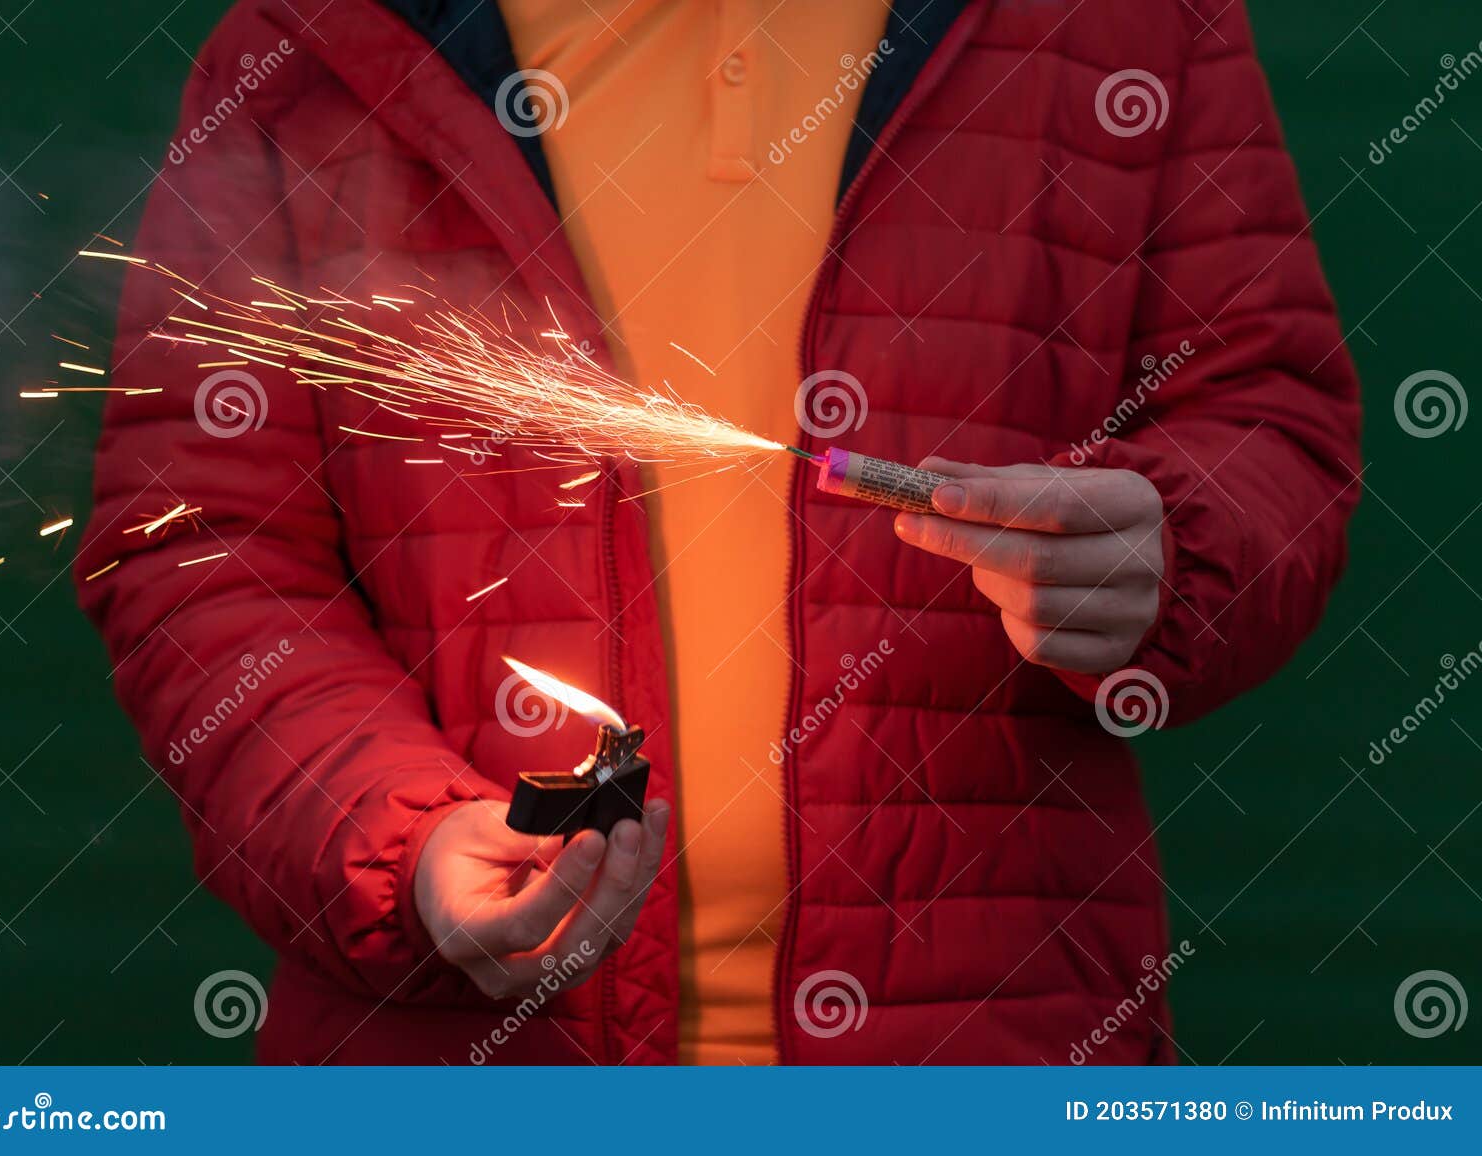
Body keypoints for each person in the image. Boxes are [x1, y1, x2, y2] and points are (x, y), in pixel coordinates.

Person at [77, 0, 1360, 1065]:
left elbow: (1266, 418)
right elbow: (201, 551)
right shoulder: (309, 42)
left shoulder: (1131, 23)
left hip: (990, 1049)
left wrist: (1172, 547)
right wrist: (400, 844)